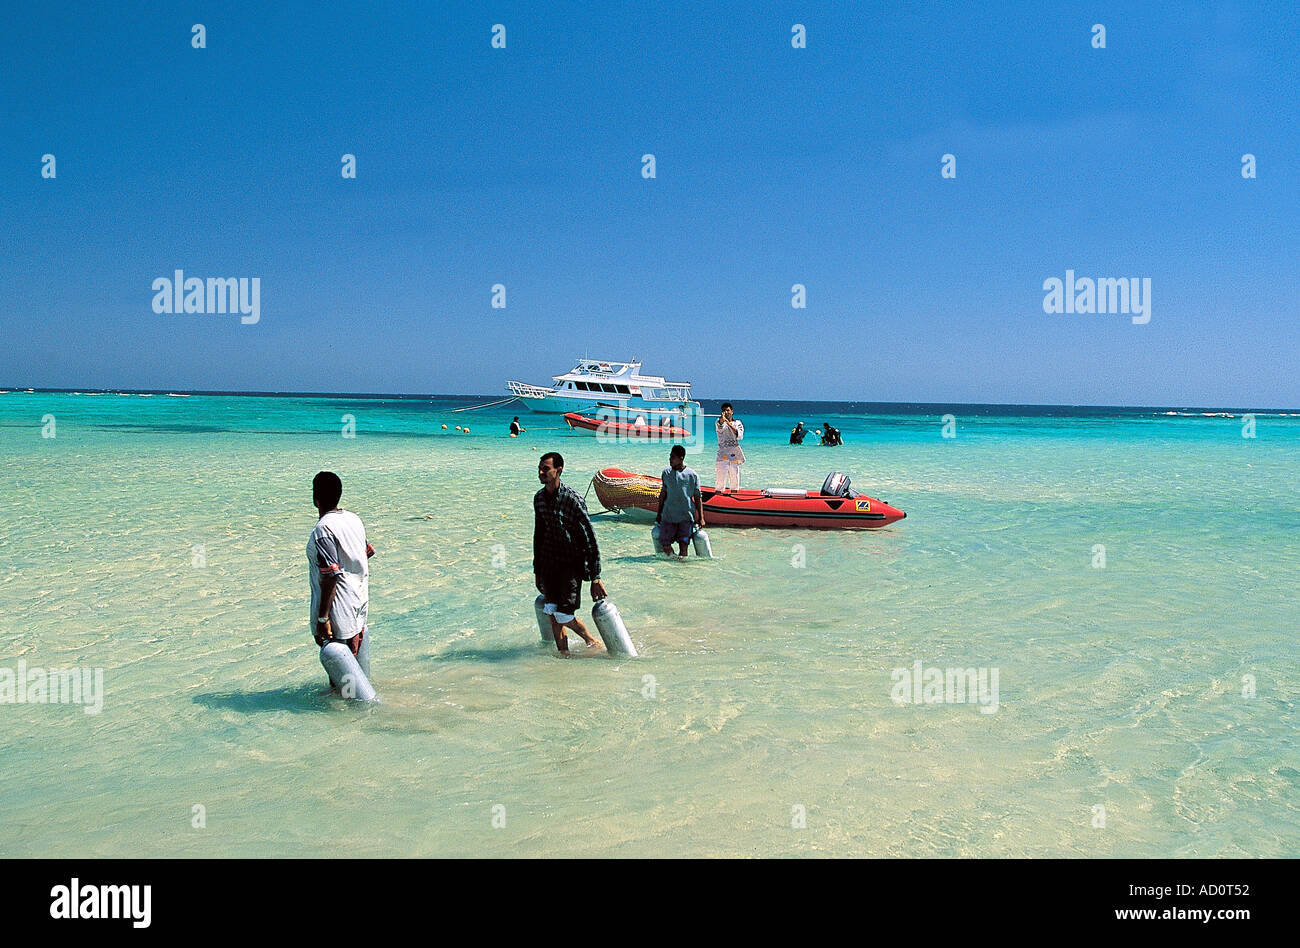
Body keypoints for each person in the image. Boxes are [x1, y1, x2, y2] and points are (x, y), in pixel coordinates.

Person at [533, 452, 606, 654]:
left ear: (559, 470)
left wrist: (595, 576)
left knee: (563, 615)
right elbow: (538, 535)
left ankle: (591, 641)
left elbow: (589, 538)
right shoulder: (539, 499)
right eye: (540, 468)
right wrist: (537, 570)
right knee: (551, 612)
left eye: (546, 469)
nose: (541, 472)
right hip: (548, 565)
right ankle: (564, 655)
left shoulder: (573, 500)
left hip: (570, 566)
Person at [308, 471, 375, 687]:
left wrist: (323, 619)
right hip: (359, 605)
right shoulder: (353, 519)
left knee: (340, 679)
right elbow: (366, 553)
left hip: (338, 612)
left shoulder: (323, 529)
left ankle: (341, 716)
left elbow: (331, 576)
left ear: (315, 498)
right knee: (353, 678)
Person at [655, 444, 705, 558]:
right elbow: (663, 494)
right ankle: (673, 562)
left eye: (673, 457)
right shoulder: (666, 473)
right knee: (665, 544)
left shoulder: (692, 475)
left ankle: (681, 570)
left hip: (685, 516)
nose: (670, 460)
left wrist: (701, 518)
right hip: (668, 516)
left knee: (684, 546)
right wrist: (659, 514)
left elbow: (697, 497)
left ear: (681, 458)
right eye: (669, 457)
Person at [714, 402, 745, 491]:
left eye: (727, 410)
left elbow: (739, 435)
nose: (726, 412)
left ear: (732, 412)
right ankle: (719, 493)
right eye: (724, 411)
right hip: (722, 452)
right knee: (720, 476)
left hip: (734, 452)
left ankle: (734, 493)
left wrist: (728, 423)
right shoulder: (718, 422)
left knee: (734, 475)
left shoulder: (738, 423)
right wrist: (723, 420)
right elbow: (720, 427)